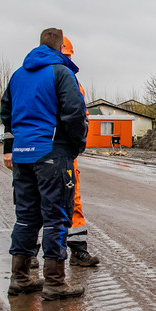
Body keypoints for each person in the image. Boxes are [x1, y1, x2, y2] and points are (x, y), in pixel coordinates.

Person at [1, 27, 89, 300]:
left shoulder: (17, 76)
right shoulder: (61, 73)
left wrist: (12, 148)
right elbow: (75, 113)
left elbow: (6, 115)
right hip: (51, 152)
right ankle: (55, 282)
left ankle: (21, 278)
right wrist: (75, 146)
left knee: (26, 217)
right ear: (61, 48)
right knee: (56, 217)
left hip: (22, 155)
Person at [58, 36, 101, 269]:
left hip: (66, 150)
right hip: (56, 148)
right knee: (40, 203)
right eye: (67, 55)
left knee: (73, 201)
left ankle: (77, 250)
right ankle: (32, 256)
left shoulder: (74, 81)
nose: (68, 59)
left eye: (69, 56)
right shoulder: (55, 78)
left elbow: (79, 115)